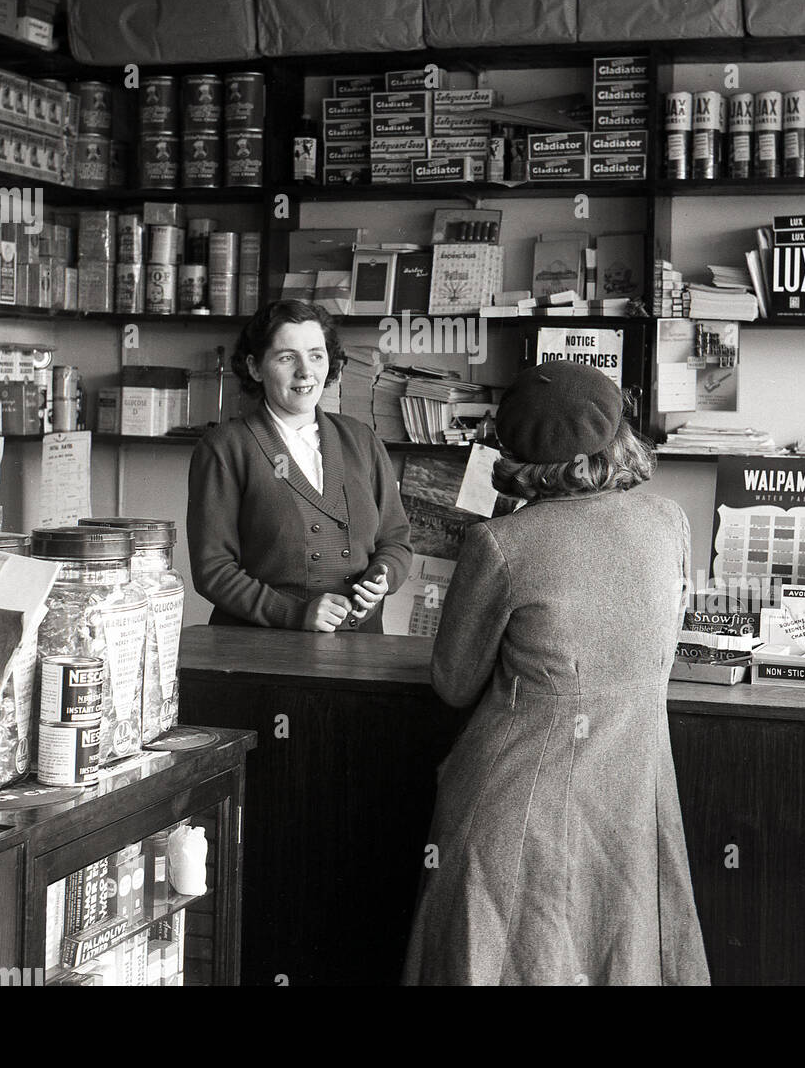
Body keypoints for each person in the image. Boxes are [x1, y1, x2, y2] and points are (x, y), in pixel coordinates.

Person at [403, 361, 710, 986]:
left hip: (516, 810)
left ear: (512, 452)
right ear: (620, 434)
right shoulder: (668, 523)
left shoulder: (501, 542)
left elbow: (454, 682)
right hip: (632, 811)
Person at [187, 299, 413, 633]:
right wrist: (293, 613)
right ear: (254, 367)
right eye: (287, 357)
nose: (305, 371)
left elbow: (396, 539)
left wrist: (384, 577)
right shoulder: (225, 447)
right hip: (261, 649)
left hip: (362, 646)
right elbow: (213, 569)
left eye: (316, 355)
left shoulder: (361, 439)